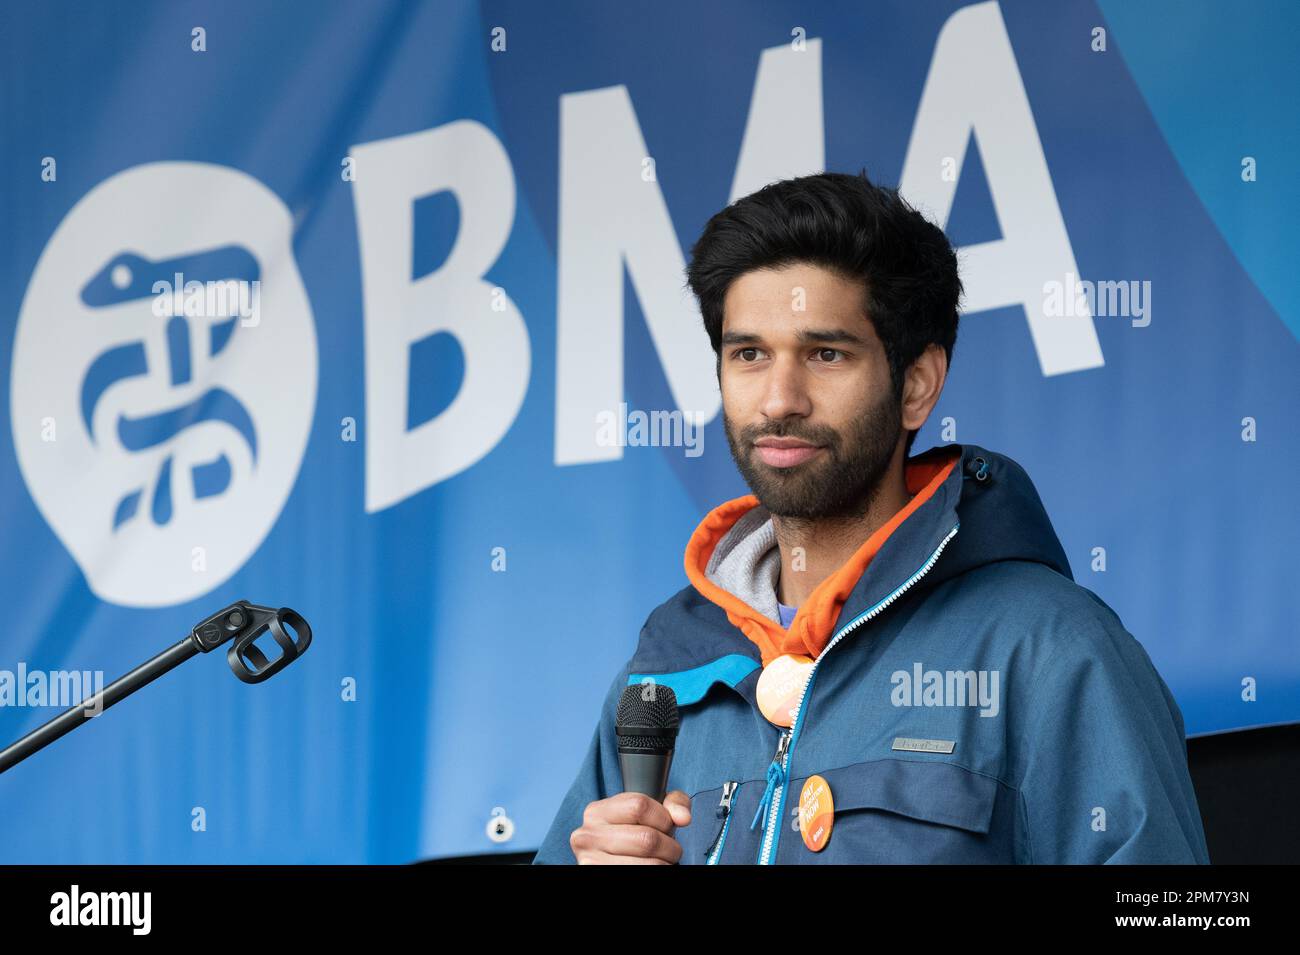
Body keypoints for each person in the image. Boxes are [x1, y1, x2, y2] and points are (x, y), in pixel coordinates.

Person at [532, 170, 1210, 864]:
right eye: (749, 354)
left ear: (916, 385)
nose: (778, 399)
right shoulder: (664, 674)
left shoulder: (1050, 650)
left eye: (826, 353)